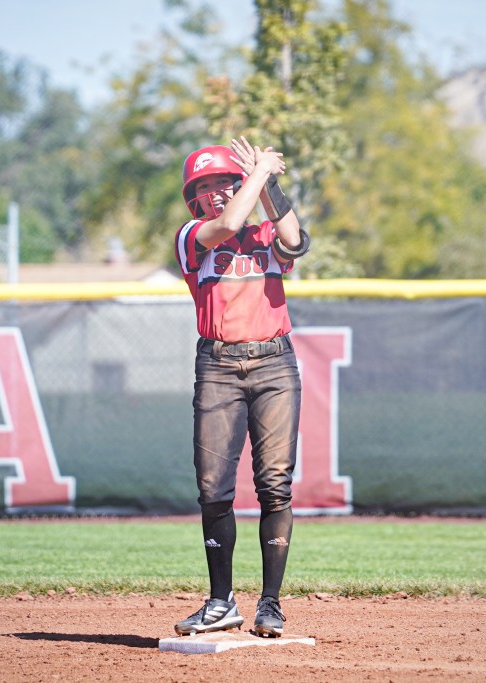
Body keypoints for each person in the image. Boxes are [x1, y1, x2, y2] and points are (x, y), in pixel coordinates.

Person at [172, 136, 311, 638]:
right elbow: (227, 223)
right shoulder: (192, 235)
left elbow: (294, 240)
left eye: (221, 182)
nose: (212, 193)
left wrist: (268, 179)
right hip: (217, 365)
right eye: (202, 187)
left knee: (275, 485)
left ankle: (270, 604)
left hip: (275, 365)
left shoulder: (263, 233)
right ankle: (220, 601)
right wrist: (258, 173)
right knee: (213, 489)